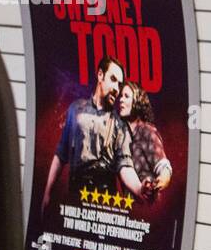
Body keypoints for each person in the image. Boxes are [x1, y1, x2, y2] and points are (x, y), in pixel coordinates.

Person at [41, 55, 145, 214]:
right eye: (113, 79)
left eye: (120, 83)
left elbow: (125, 166)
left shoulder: (119, 124)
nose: (117, 88)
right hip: (75, 202)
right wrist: (47, 194)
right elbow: (60, 155)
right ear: (100, 75)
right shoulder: (75, 109)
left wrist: (140, 189)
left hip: (103, 204)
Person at [118, 80, 172, 202]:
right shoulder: (122, 135)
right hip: (132, 210)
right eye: (120, 96)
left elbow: (164, 168)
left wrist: (158, 183)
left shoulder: (146, 131)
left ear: (137, 101)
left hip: (148, 209)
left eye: (126, 96)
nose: (121, 99)